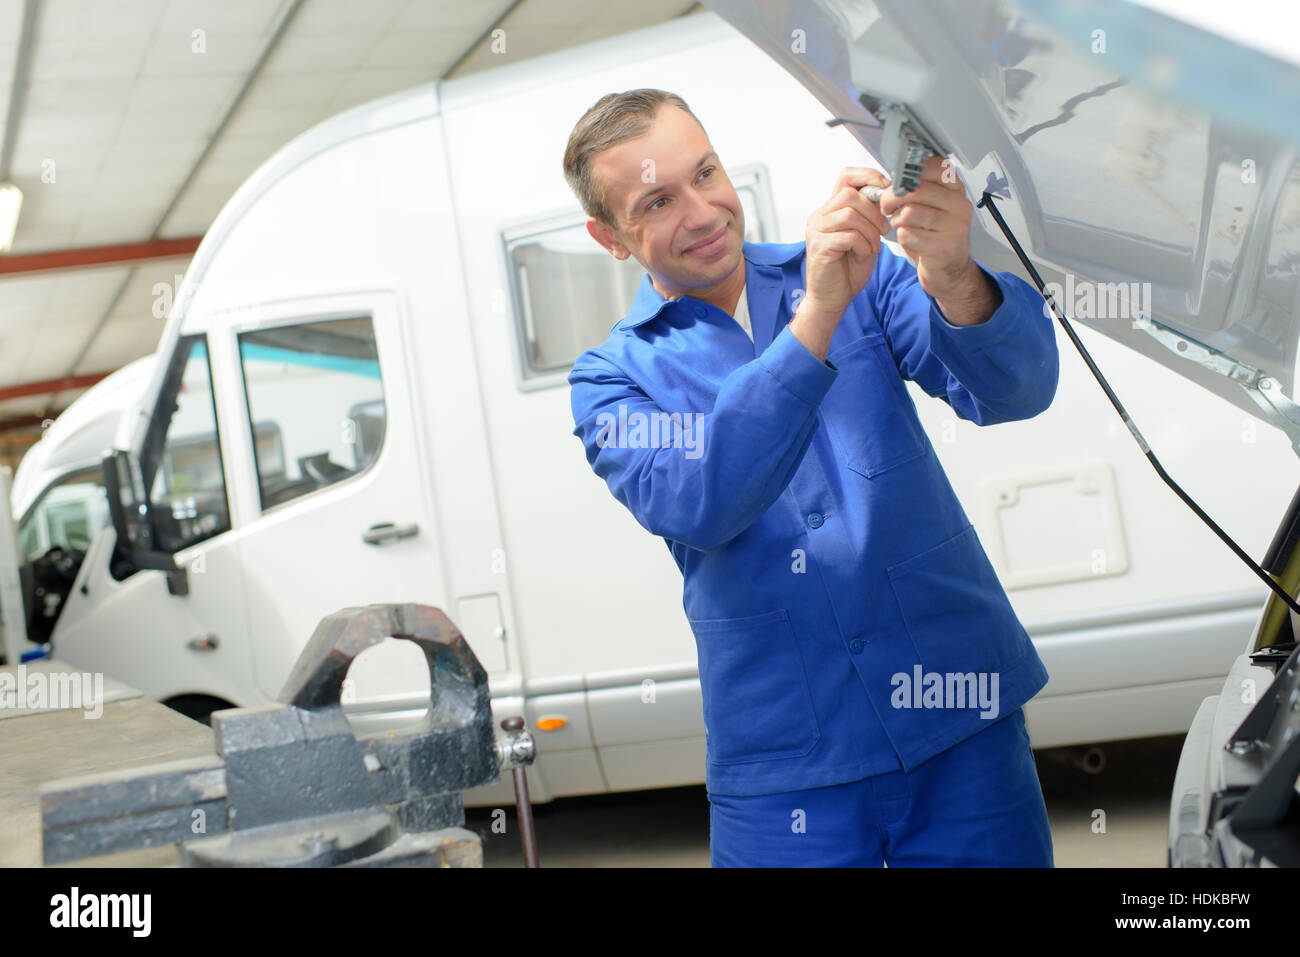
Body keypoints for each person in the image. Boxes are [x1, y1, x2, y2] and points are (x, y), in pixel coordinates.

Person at [562, 88, 1058, 867]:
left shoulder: (872, 277)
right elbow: (701, 498)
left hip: (957, 712)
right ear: (609, 236)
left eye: (707, 173)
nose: (702, 212)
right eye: (657, 201)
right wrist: (818, 314)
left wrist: (954, 270)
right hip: (788, 763)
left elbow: (1015, 389)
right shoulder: (610, 380)